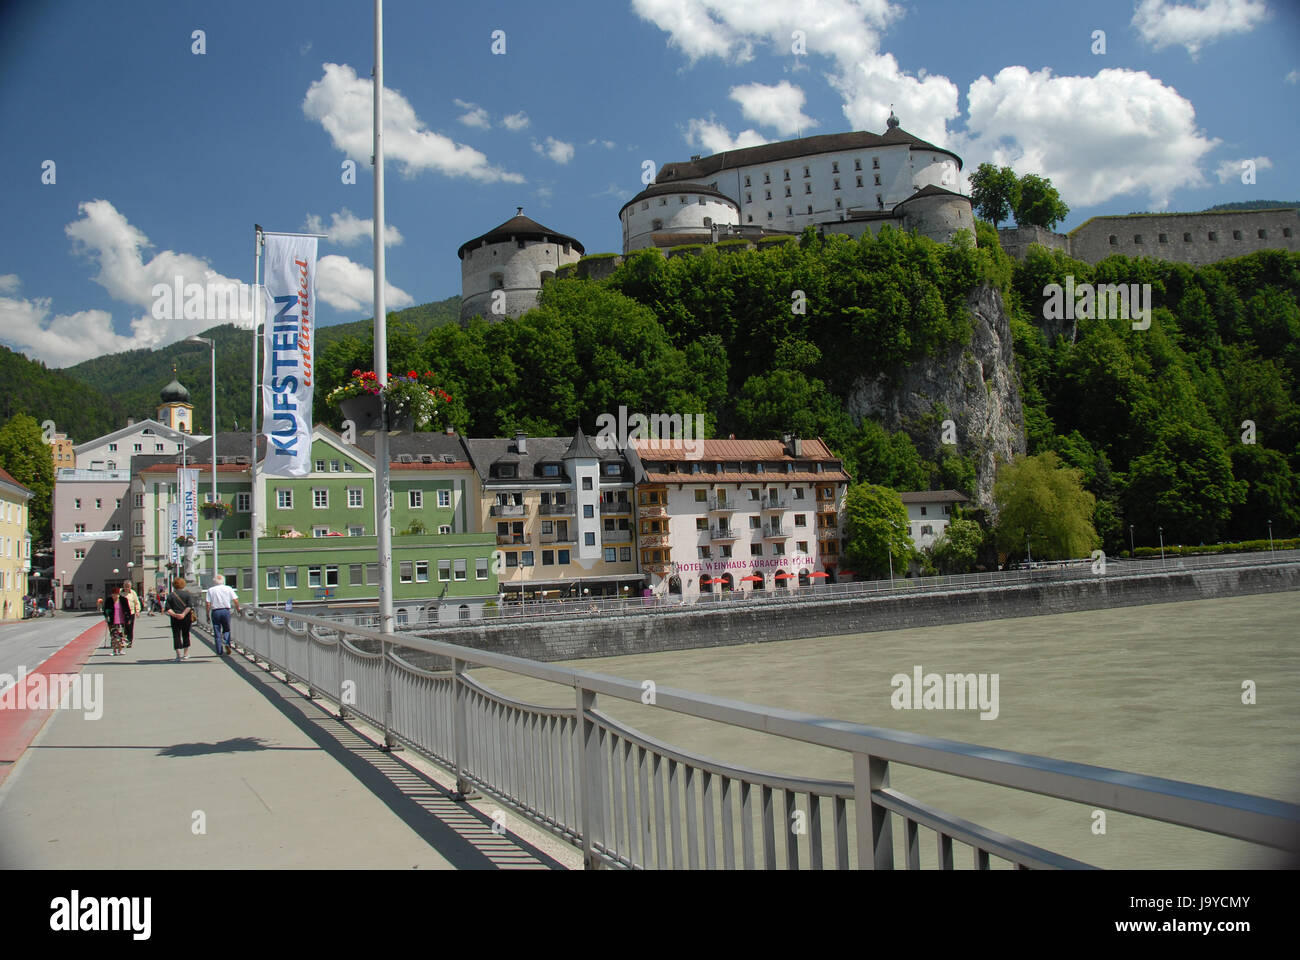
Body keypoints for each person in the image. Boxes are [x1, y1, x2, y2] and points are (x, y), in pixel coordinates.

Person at [205, 574, 241, 655]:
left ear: (214, 581)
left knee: (217, 631)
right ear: (223, 581)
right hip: (225, 611)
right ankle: (227, 643)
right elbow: (235, 600)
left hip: (215, 612)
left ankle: (219, 651)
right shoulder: (228, 588)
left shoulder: (211, 590)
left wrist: (207, 614)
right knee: (227, 629)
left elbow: (208, 603)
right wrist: (238, 609)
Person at [165, 577, 194, 661]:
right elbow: (189, 606)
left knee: (176, 635)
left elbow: (167, 608)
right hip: (186, 617)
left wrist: (174, 614)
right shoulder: (187, 594)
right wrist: (183, 614)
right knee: (185, 634)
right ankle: (185, 654)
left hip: (175, 618)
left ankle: (178, 655)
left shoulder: (171, 595)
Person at [102, 585, 131, 656]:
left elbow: (127, 610)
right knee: (114, 636)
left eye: (115, 594)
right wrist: (106, 616)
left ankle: (120, 650)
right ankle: (114, 650)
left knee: (120, 636)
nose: (114, 596)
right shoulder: (109, 600)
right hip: (112, 621)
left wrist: (129, 618)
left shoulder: (123, 600)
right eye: (113, 594)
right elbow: (105, 610)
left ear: (118, 594)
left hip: (121, 621)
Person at [120, 580, 140, 648]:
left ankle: (129, 641)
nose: (127, 588)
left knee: (130, 627)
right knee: (122, 627)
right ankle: (122, 641)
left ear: (130, 587)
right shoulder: (120, 592)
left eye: (128, 587)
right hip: (122, 613)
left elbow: (136, 602)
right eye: (125, 586)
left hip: (131, 613)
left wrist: (137, 611)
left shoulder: (133, 593)